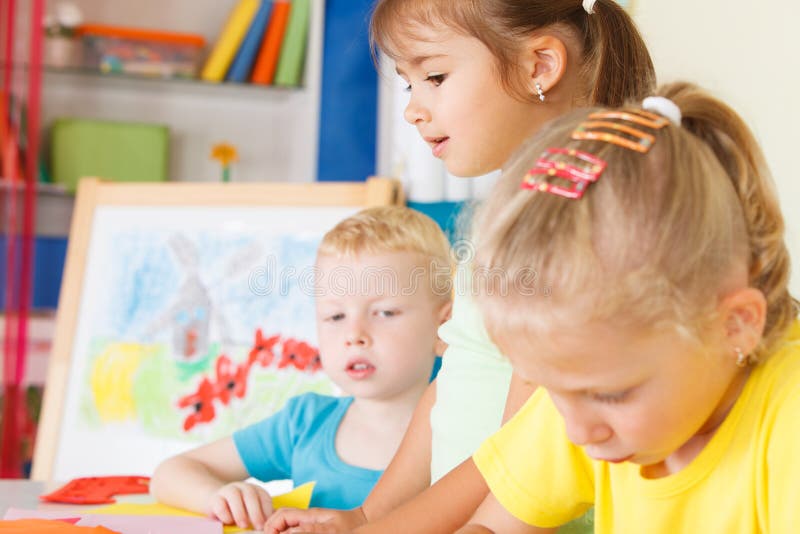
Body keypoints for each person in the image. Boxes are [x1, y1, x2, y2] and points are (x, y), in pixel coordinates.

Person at [265, 0, 655, 532]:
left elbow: (524, 450)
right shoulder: (511, 210)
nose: (413, 110)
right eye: (409, 84)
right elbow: (452, 386)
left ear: (539, 66)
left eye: (435, 76)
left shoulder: (568, 223)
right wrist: (364, 516)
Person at [455, 82, 800, 533]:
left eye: (612, 396)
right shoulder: (585, 391)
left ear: (733, 325)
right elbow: (493, 527)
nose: (578, 433)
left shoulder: (787, 417)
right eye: (549, 389)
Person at [150, 206, 453, 531]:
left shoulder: (467, 431)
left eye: (385, 312)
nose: (354, 336)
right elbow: (170, 473)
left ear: (444, 326)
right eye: (336, 317)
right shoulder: (305, 424)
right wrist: (219, 496)